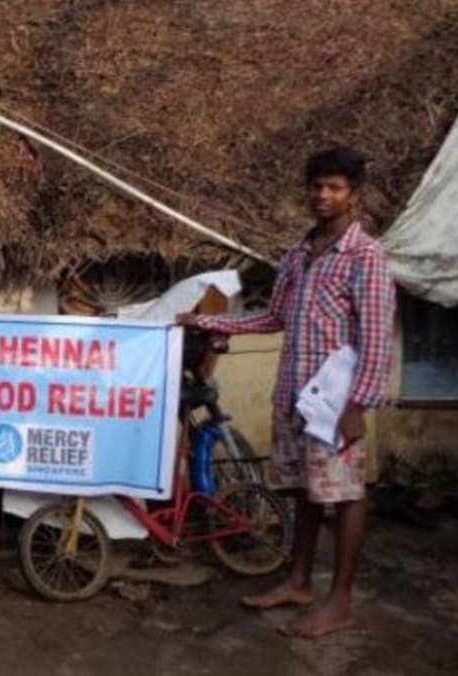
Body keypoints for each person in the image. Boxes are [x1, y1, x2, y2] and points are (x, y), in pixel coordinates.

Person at [178, 147, 395, 639]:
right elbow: (274, 317)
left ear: (354, 195)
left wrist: (358, 405)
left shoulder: (366, 257)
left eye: (335, 187)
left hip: (337, 403)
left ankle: (340, 602)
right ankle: (298, 582)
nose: (323, 195)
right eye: (317, 186)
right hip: (294, 395)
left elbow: (377, 337)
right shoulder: (299, 253)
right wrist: (211, 322)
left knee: (345, 495)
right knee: (303, 490)